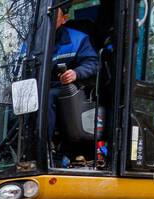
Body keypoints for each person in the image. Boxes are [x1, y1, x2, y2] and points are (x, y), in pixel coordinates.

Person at [48, 4, 100, 161]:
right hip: (42, 87)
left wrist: (75, 73)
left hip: (70, 90)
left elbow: (93, 64)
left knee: (47, 97)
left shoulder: (78, 39)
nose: (48, 19)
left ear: (64, 19)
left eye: (53, 15)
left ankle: (45, 146)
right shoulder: (35, 42)